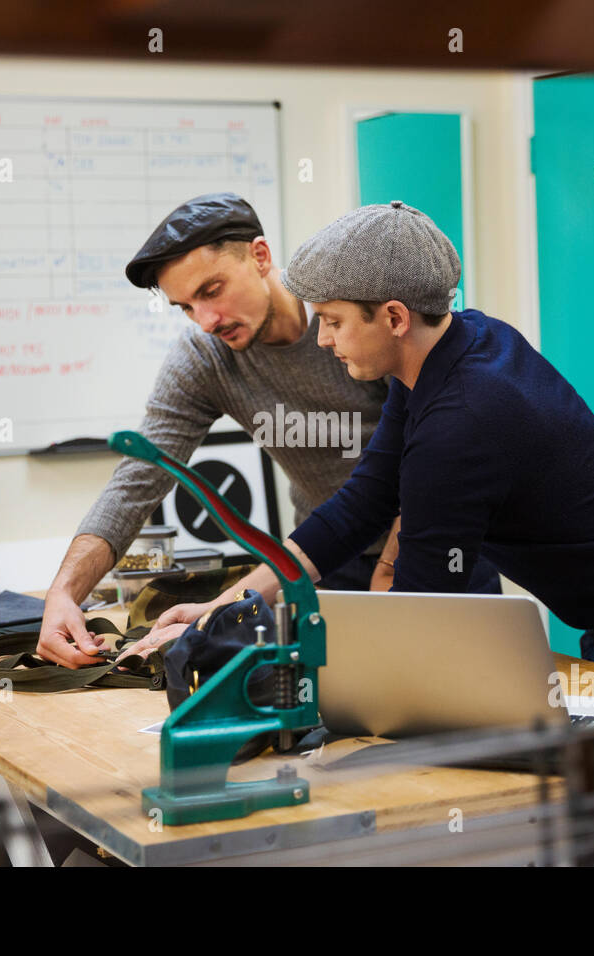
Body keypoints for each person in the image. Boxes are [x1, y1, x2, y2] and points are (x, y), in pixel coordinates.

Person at [131, 200, 594, 700]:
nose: (322, 340)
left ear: (395, 317)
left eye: (333, 320)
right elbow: (362, 504)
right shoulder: (453, 347)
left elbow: (423, 614)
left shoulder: (463, 418)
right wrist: (230, 606)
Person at [38, 194, 498, 670]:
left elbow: (427, 460)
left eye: (212, 290)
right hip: (321, 558)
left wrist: (390, 568)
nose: (206, 321)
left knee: (465, 705)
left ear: (260, 257)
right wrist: (65, 593)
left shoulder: (355, 327)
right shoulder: (205, 360)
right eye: (186, 307)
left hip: (438, 550)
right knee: (342, 721)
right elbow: (139, 478)